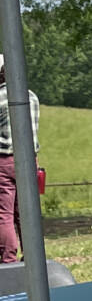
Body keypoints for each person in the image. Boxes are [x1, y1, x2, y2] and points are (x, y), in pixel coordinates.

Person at [0, 58, 41, 265]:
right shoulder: (32, 96)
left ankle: (8, 259)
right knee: (26, 211)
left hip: (4, 159)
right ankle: (32, 254)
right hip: (29, 159)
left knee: (4, 213)